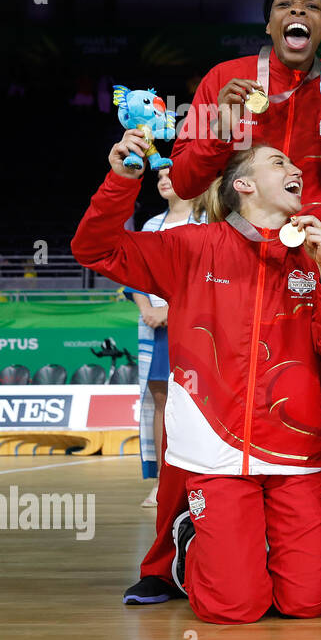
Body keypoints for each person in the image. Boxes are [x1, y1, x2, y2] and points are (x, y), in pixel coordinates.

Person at [74, 136, 321, 624]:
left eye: (293, 163)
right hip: (214, 449)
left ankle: (256, 547)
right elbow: (94, 249)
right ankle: (193, 538)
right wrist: (122, 181)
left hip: (298, 452)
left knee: (307, 603)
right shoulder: (192, 247)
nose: (295, 170)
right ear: (243, 184)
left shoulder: (317, 251)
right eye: (278, 162)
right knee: (232, 607)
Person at [171, 0, 321, 222]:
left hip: (312, 250)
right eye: (284, 4)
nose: (298, 10)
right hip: (236, 249)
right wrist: (221, 128)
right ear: (268, 25)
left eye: (311, 6)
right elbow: (183, 184)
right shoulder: (223, 78)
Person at [128, 170, 208, 510]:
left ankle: (200, 481)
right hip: (157, 329)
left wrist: (172, 311)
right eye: (159, 175)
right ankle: (163, 483)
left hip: (193, 325)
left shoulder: (207, 222)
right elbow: (136, 274)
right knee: (163, 405)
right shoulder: (150, 227)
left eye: (171, 174)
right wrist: (148, 308)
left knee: (200, 403)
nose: (163, 180)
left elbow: (206, 278)